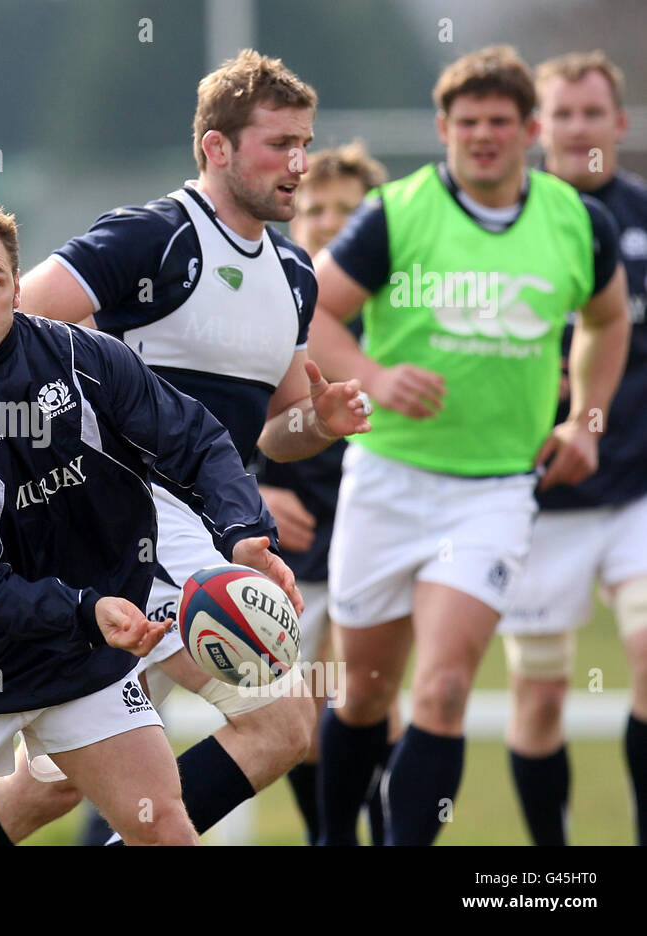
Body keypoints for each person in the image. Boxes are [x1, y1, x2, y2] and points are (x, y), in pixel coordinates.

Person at [0, 49, 372, 846]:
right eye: (278, 144)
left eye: (305, 143)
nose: (297, 163)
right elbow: (20, 323)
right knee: (283, 723)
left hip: (202, 534)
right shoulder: (153, 238)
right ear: (217, 148)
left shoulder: (296, 274)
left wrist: (320, 422)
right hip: (138, 528)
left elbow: (273, 431)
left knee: (56, 785)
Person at [0, 191, 313, 845]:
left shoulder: (82, 358)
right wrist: (90, 611)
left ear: (17, 285)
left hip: (77, 658)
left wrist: (246, 534)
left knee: (165, 830)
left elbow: (196, 439)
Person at [308, 46, 630, 845]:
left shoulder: (578, 221)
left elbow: (607, 319)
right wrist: (373, 375)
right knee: (365, 697)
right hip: (387, 478)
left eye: (499, 123)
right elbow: (311, 313)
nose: (483, 136)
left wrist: (585, 416)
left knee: (445, 688)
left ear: (528, 130)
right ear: (443, 128)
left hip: (492, 491)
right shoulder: (397, 212)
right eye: (467, 123)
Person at [496, 51, 647, 846]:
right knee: (541, 698)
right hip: (538, 498)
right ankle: (553, 867)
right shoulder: (506, 223)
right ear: (536, 128)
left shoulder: (641, 218)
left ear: (619, 123)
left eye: (594, 113)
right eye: (564, 115)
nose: (579, 128)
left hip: (636, 495)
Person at [253, 142, 395, 844]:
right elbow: (224, 417)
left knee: (377, 704)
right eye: (313, 208)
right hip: (299, 544)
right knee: (303, 723)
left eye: (349, 210)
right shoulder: (266, 305)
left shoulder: (399, 312)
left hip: (387, 533)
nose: (329, 222)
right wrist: (253, 497)